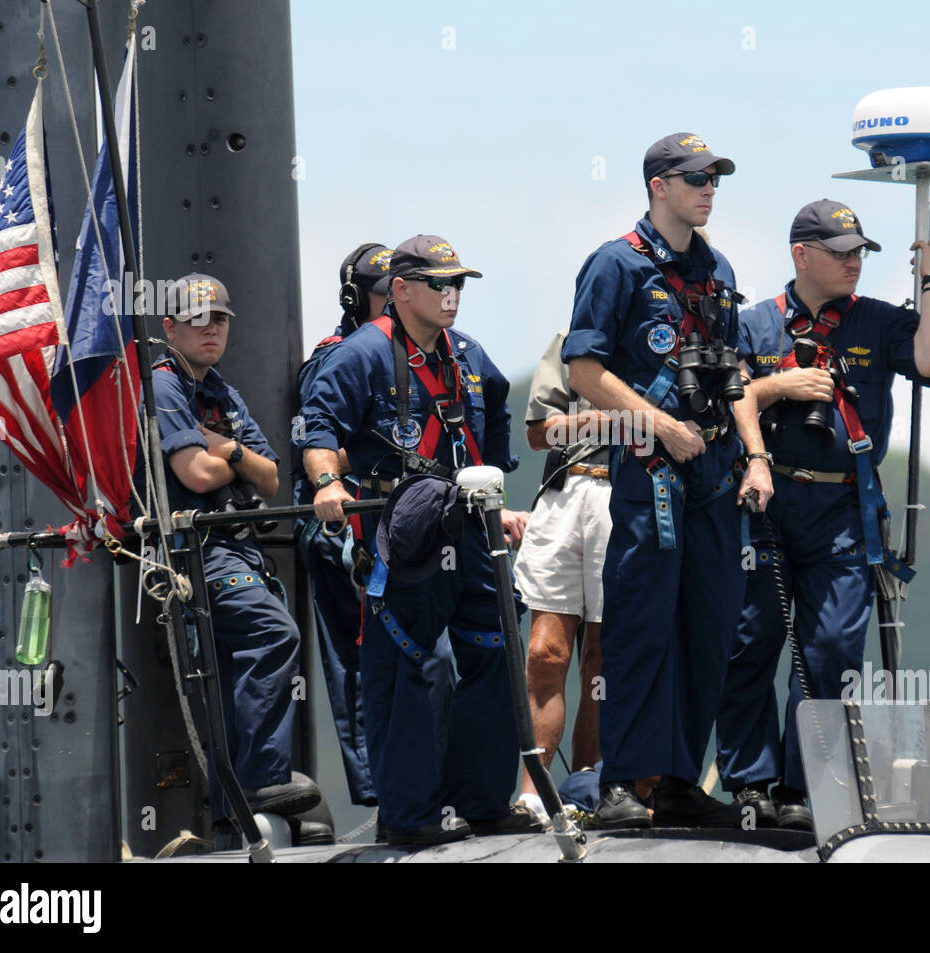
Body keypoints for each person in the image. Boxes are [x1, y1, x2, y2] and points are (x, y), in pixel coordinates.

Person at [715, 199, 930, 829]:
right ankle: (748, 782)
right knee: (749, 642)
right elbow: (728, 396)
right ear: (802, 254)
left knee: (832, 651)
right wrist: (779, 389)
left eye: (860, 253)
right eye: (841, 253)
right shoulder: (754, 324)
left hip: (844, 505)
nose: (854, 264)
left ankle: (804, 786)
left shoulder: (877, 321)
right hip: (766, 498)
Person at [297, 235, 538, 847]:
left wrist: (498, 505)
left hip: (470, 528)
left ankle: (481, 801)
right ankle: (409, 816)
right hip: (403, 535)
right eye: (438, 283)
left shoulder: (470, 354)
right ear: (400, 290)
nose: (451, 294)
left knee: (498, 646)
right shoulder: (360, 354)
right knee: (400, 664)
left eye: (457, 283)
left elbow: (495, 438)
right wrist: (327, 482)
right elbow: (317, 427)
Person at [562, 133, 773, 829]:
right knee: (642, 624)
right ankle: (625, 778)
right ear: (659, 185)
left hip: (715, 470)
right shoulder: (616, 264)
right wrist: (658, 425)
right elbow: (584, 372)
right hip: (650, 469)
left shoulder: (717, 271)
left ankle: (681, 779)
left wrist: (755, 455)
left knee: (709, 627)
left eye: (715, 178)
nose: (709, 189)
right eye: (696, 179)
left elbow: (735, 374)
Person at [150, 273, 321, 821]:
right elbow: (196, 474)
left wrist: (226, 448)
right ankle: (259, 782)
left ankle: (235, 812)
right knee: (273, 635)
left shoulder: (220, 391)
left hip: (239, 547)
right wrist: (230, 456)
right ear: (169, 327)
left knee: (230, 672)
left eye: (220, 319)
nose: (211, 329)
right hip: (194, 549)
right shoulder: (162, 386)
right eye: (198, 319)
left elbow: (271, 478)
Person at [291, 243, 455, 808]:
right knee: (365, 661)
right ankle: (385, 794)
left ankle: (427, 788)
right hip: (349, 527)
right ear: (358, 298)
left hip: (413, 528)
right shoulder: (341, 356)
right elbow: (319, 437)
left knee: (435, 658)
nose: (398, 302)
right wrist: (331, 488)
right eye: (386, 292)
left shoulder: (433, 356)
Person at [513, 330, 609, 819]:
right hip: (567, 490)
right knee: (544, 654)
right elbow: (536, 431)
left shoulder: (668, 335)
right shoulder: (573, 340)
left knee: (601, 661)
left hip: (629, 495)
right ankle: (533, 793)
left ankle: (588, 788)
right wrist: (600, 421)